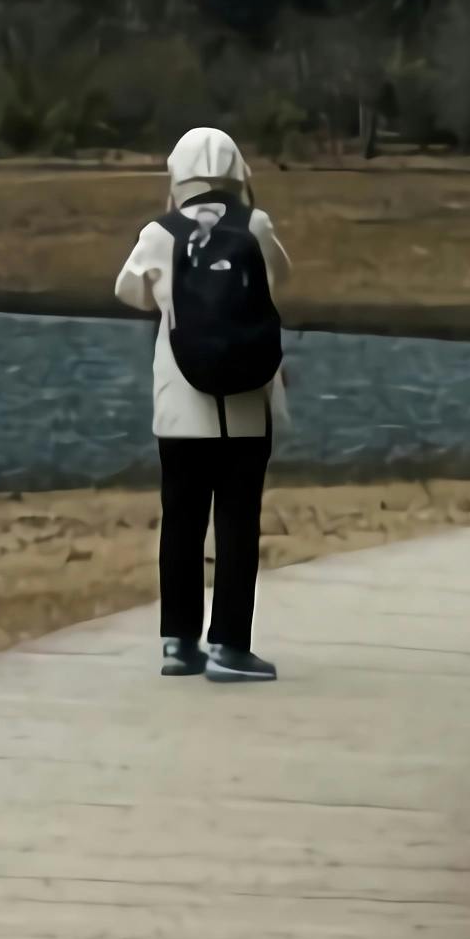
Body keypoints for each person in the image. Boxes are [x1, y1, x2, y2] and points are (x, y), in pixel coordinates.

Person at [116, 126, 289, 683]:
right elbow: (279, 277)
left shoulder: (159, 232)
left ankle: (178, 642)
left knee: (182, 521)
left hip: (179, 405)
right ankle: (230, 646)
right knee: (237, 521)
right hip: (246, 403)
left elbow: (127, 290)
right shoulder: (254, 225)